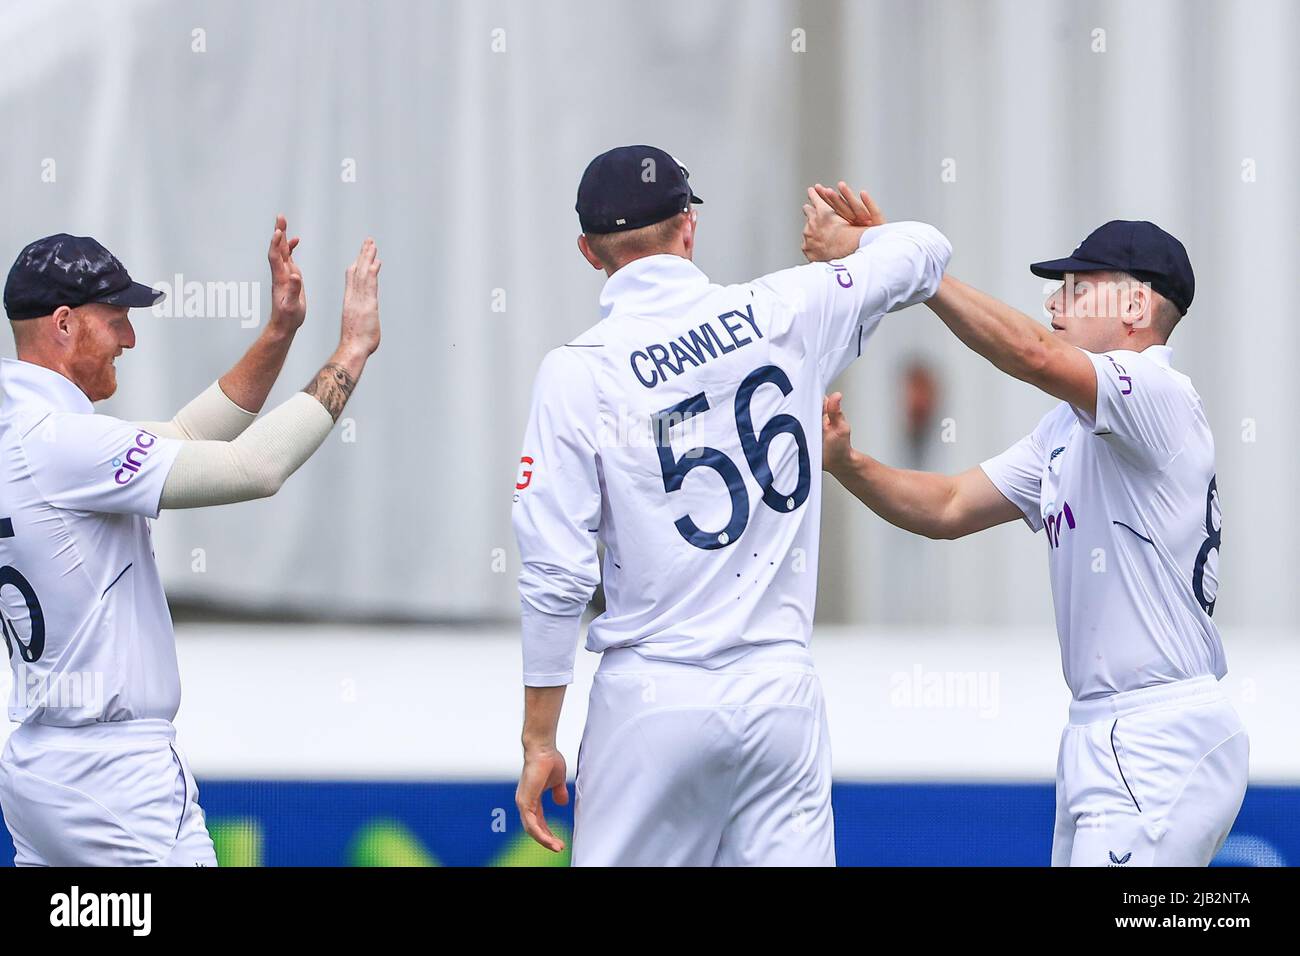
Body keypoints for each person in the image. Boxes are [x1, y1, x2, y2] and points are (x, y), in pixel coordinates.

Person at [511, 146, 950, 865]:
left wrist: (539, 739)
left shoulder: (578, 371)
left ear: (589, 252)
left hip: (652, 698)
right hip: (779, 695)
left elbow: (556, 573)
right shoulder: (786, 307)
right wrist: (854, 242)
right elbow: (926, 250)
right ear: (689, 227)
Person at [809, 182, 1247, 866]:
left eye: (1076, 288)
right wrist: (847, 463)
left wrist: (905, 261)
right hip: (1108, 731)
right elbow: (949, 506)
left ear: (1136, 307)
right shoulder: (1067, 428)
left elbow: (1034, 354)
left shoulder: (1157, 390)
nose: (1054, 303)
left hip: (1155, 730)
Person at [0, 222, 382, 865]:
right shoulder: (62, 444)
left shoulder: (26, 431)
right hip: (113, 774)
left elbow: (187, 432)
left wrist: (279, 332)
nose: (129, 337)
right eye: (115, 319)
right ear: (63, 323)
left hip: (40, 765)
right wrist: (352, 350)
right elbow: (254, 468)